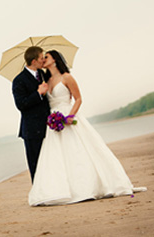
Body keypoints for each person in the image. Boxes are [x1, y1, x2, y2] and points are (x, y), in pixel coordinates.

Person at [28, 50, 143, 206]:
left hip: (69, 117)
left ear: (55, 59)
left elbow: (78, 99)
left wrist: (71, 116)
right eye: (42, 58)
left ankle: (89, 186)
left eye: (46, 57)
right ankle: (61, 189)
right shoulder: (45, 81)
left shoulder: (67, 77)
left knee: (79, 150)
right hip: (54, 122)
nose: (43, 59)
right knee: (57, 156)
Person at [12, 46, 51, 182]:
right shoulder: (19, 80)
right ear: (34, 61)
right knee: (36, 164)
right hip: (32, 129)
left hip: (49, 126)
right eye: (41, 58)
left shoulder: (44, 74)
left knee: (51, 161)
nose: (43, 60)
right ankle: (39, 193)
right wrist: (38, 93)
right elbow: (21, 104)